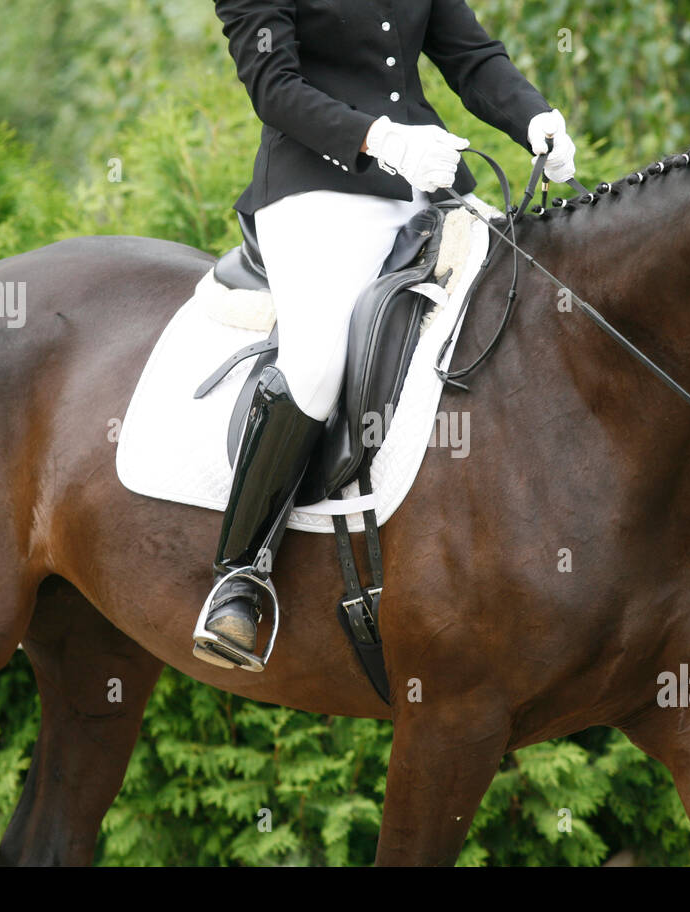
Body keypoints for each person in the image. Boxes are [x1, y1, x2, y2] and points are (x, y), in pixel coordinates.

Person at [199, 0, 578, 667]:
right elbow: (273, 86)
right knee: (315, 364)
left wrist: (534, 116)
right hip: (317, 187)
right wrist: (380, 139)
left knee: (535, 305)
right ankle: (241, 575)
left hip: (430, 184)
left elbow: (469, 55)